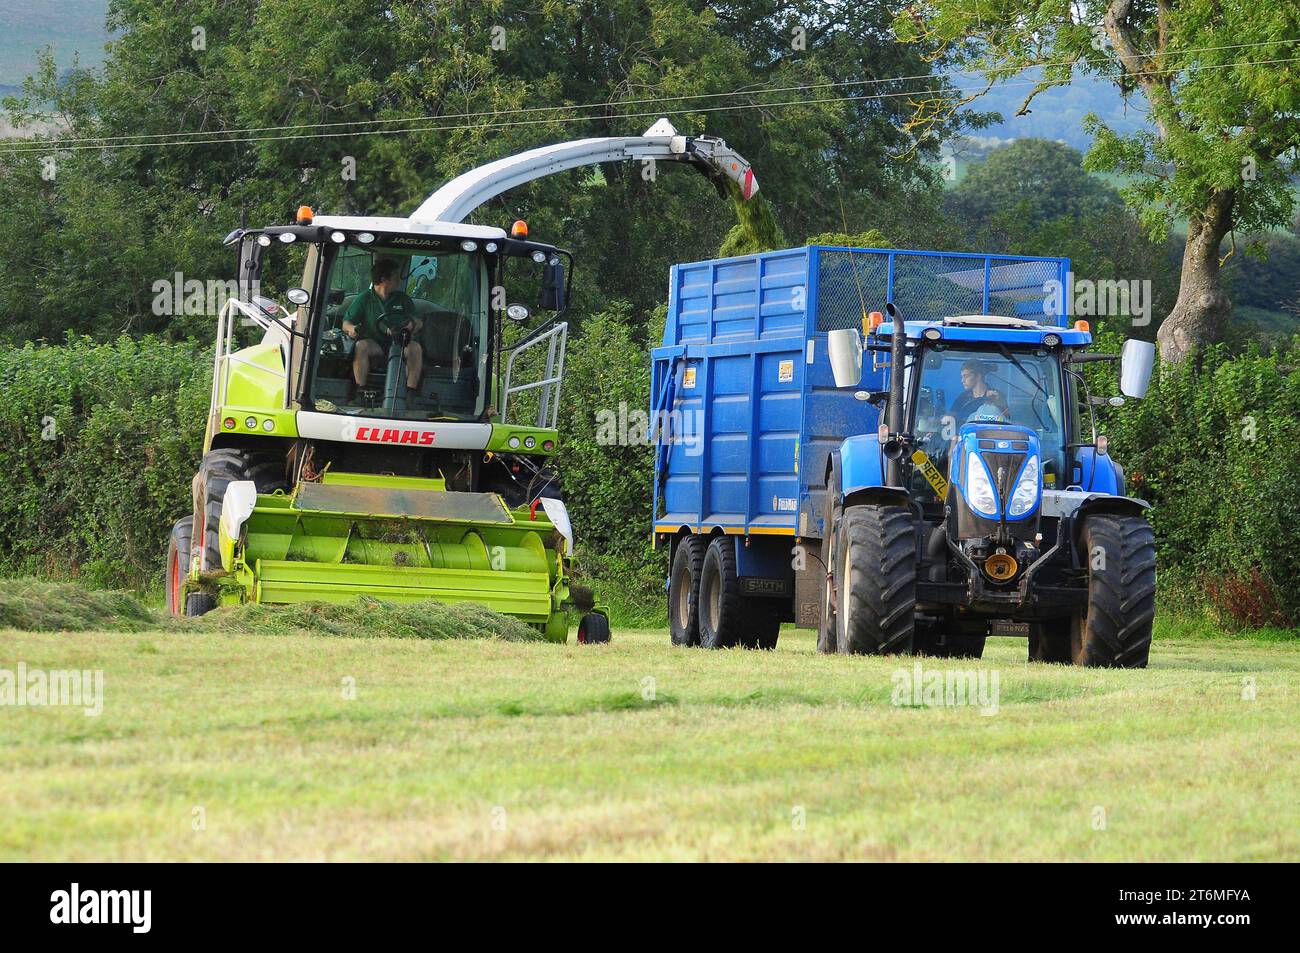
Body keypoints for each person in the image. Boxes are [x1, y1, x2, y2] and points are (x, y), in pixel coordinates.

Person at [341, 258, 424, 393]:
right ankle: (361, 391)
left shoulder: (403, 299)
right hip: (376, 343)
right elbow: (346, 323)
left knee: (416, 348)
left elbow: (418, 321)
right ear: (385, 279)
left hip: (401, 343)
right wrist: (352, 329)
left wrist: (409, 326)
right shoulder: (364, 299)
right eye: (396, 276)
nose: (399, 279)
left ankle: (410, 393)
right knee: (361, 346)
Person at [950, 358, 1006, 423]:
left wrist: (998, 403)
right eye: (962, 377)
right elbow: (950, 417)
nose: (962, 381)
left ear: (978, 376)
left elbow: (1006, 419)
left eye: (966, 376)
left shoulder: (997, 395)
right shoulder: (962, 398)